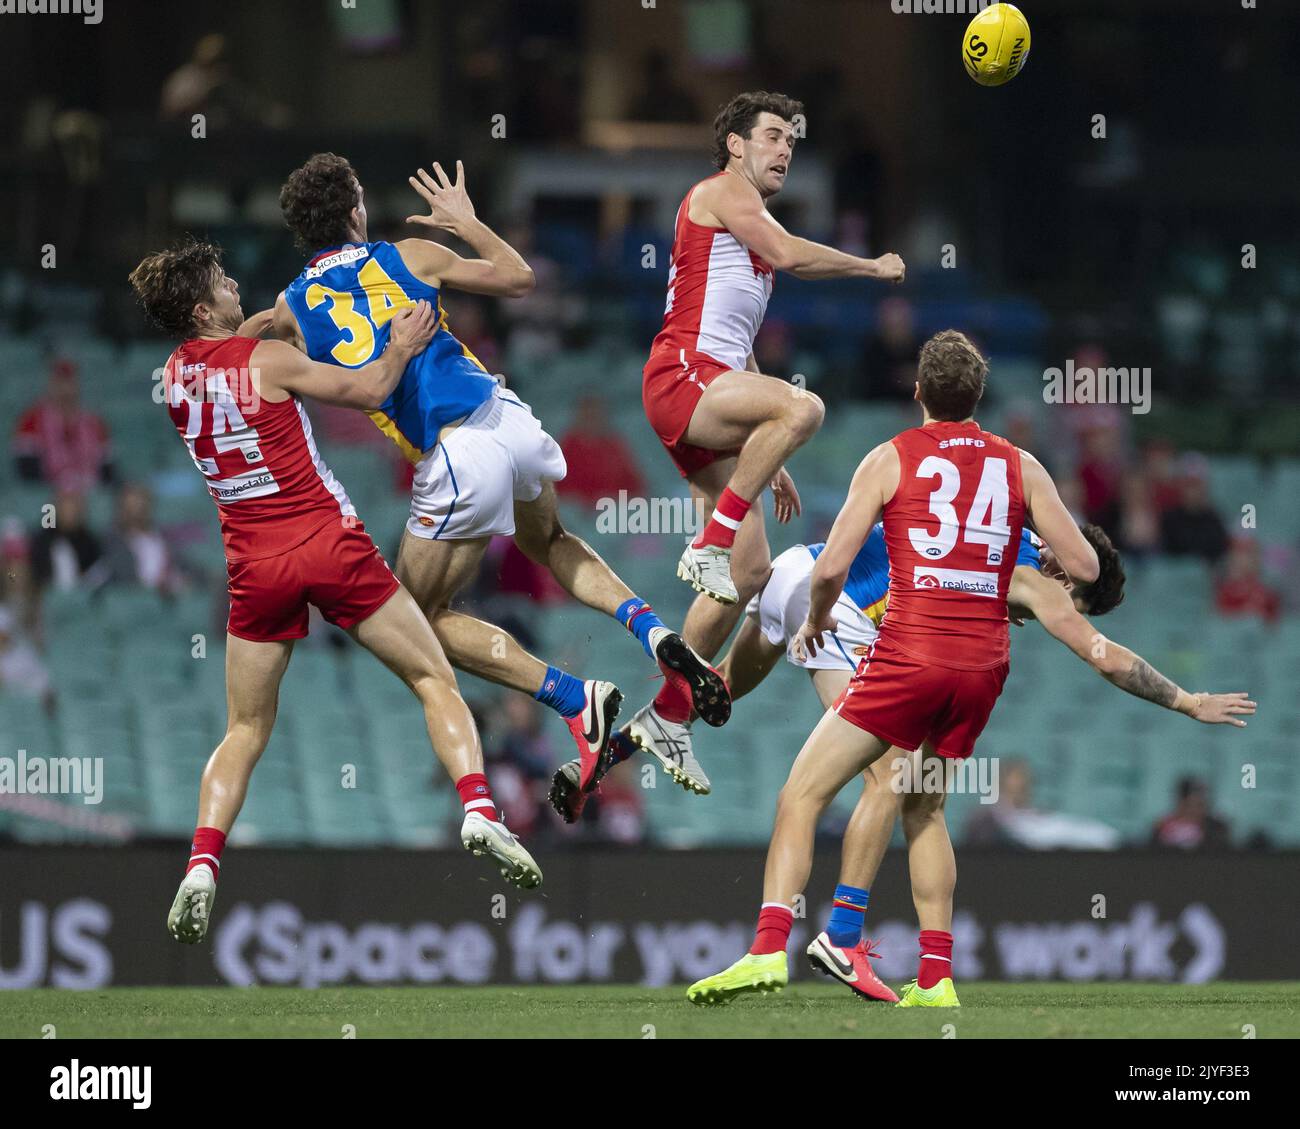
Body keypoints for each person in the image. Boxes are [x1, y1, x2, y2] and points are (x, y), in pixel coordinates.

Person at [263, 154, 730, 794]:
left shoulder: (286, 313)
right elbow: (518, 278)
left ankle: (575, 698)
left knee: (418, 620)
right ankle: (656, 634)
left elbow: (227, 347)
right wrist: (467, 221)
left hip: (455, 455)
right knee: (553, 541)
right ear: (356, 212)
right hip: (505, 415)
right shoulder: (410, 255)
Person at [127, 239, 542, 948]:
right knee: (431, 675)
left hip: (253, 564)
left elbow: (227, 348)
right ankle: (478, 807)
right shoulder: (272, 363)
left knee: (245, 729)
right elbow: (370, 391)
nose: (235, 286)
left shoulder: (173, 379)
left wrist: (260, 320)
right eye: (223, 283)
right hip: (326, 538)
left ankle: (202, 862)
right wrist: (404, 343)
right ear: (202, 307)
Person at [684, 329, 1102, 1006]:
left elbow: (837, 562)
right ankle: (869, 950)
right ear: (980, 398)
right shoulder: (1013, 476)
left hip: (835, 603)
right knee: (902, 794)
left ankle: (802, 946)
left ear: (916, 393)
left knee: (862, 789)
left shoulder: (895, 458)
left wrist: (815, 616)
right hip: (899, 639)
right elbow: (1078, 566)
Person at [631, 91, 905, 794]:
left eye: (793, 141)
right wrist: (870, 268)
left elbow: (742, 346)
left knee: (750, 577)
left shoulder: (742, 228)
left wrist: (765, 446)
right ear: (734, 145)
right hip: (683, 378)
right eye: (774, 136)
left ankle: (667, 716)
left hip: (713, 389)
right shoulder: (722, 193)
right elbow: (788, 253)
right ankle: (707, 542)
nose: (786, 149)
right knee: (807, 405)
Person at [12, 358, 113, 494]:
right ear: (51, 385)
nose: (65, 389)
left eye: (69, 381)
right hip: (50, 493)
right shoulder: (31, 420)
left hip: (89, 494)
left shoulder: (94, 422)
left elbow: (108, 470)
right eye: (60, 382)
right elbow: (27, 470)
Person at [1151, 776, 1233, 850]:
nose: (1199, 808)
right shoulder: (1162, 828)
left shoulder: (1216, 830)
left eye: (1202, 803)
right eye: (1193, 804)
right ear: (1181, 802)